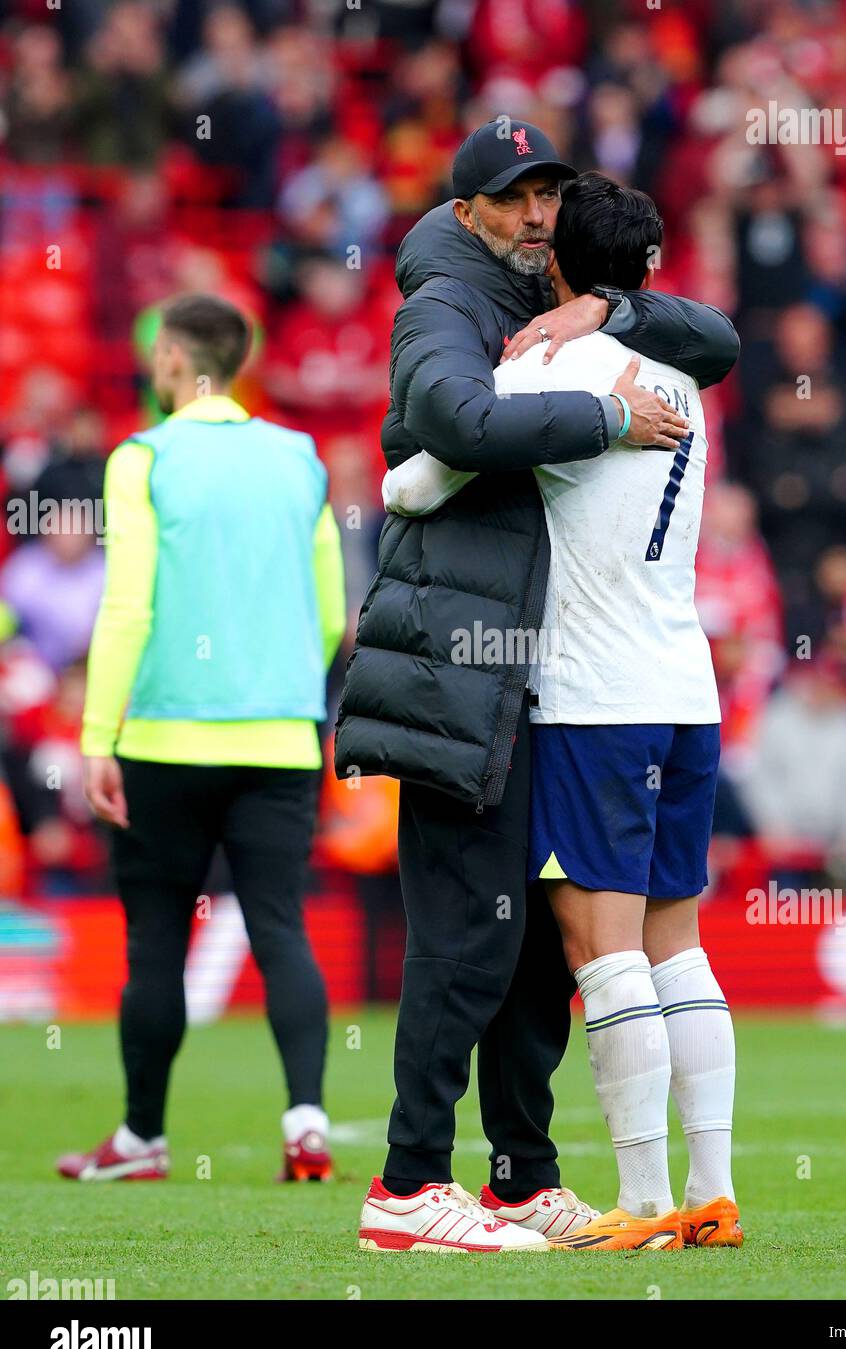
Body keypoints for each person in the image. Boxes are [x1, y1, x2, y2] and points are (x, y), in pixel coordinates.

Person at [342, 119, 738, 1254]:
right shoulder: (445, 308)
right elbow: (440, 434)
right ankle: (410, 1185)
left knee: (526, 961)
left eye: (548, 197)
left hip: (553, 687)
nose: (533, 215)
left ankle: (523, 1177)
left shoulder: (558, 322)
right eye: (514, 198)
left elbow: (712, 332)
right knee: (469, 943)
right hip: (468, 678)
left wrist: (607, 313)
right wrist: (609, 411)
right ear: (466, 211)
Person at [58, 293, 346, 1182]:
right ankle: (306, 1124)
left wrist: (98, 733)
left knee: (154, 942)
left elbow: (127, 605)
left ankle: (141, 1139)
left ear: (179, 360)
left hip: (165, 742)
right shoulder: (299, 457)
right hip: (279, 741)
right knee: (281, 929)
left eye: (159, 355)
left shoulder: (142, 457)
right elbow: (332, 612)